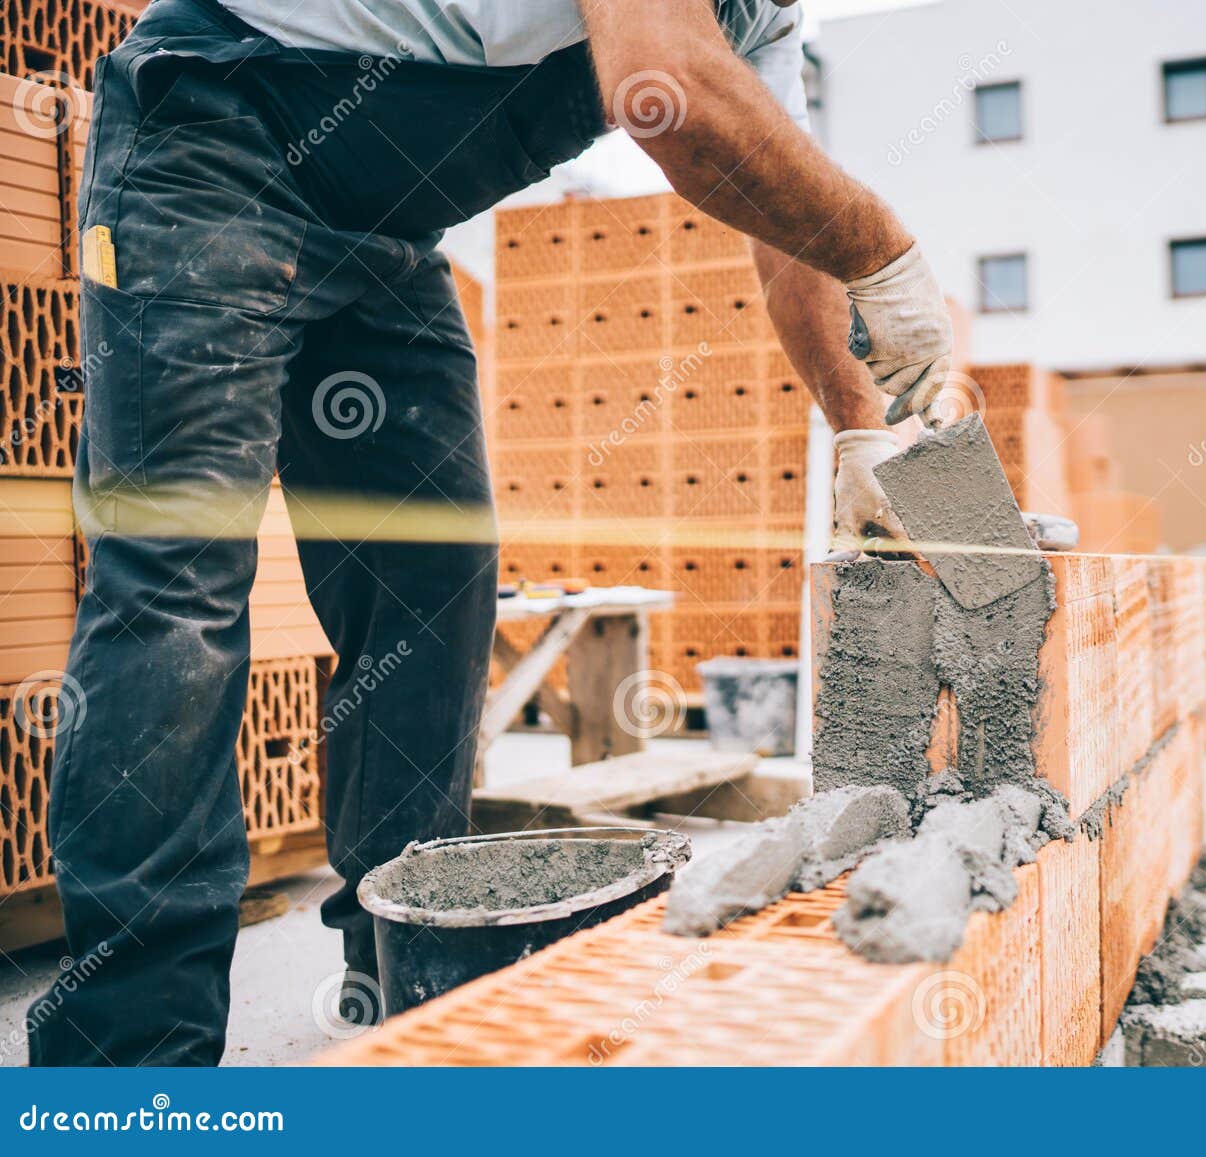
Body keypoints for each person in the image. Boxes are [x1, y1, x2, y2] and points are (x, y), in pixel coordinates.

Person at [29, 0, 952, 1065]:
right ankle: (129, 1061)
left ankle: (406, 974)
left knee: (433, 575)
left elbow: (788, 244)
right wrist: (885, 249)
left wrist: (857, 427)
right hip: (213, 139)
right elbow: (666, 85)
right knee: (178, 594)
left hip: (382, 227)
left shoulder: (763, 22)